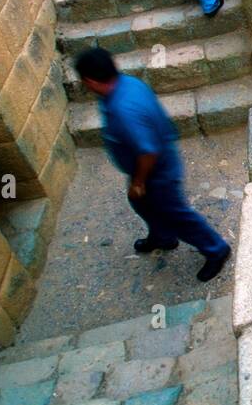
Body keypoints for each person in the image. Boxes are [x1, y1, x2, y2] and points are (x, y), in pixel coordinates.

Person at [73, 47, 231, 282]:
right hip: (152, 166)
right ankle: (162, 237)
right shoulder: (127, 84)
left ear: (91, 81)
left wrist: (138, 182)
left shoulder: (123, 109)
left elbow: (148, 151)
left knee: (177, 214)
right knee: (141, 204)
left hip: (155, 174)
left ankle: (216, 249)